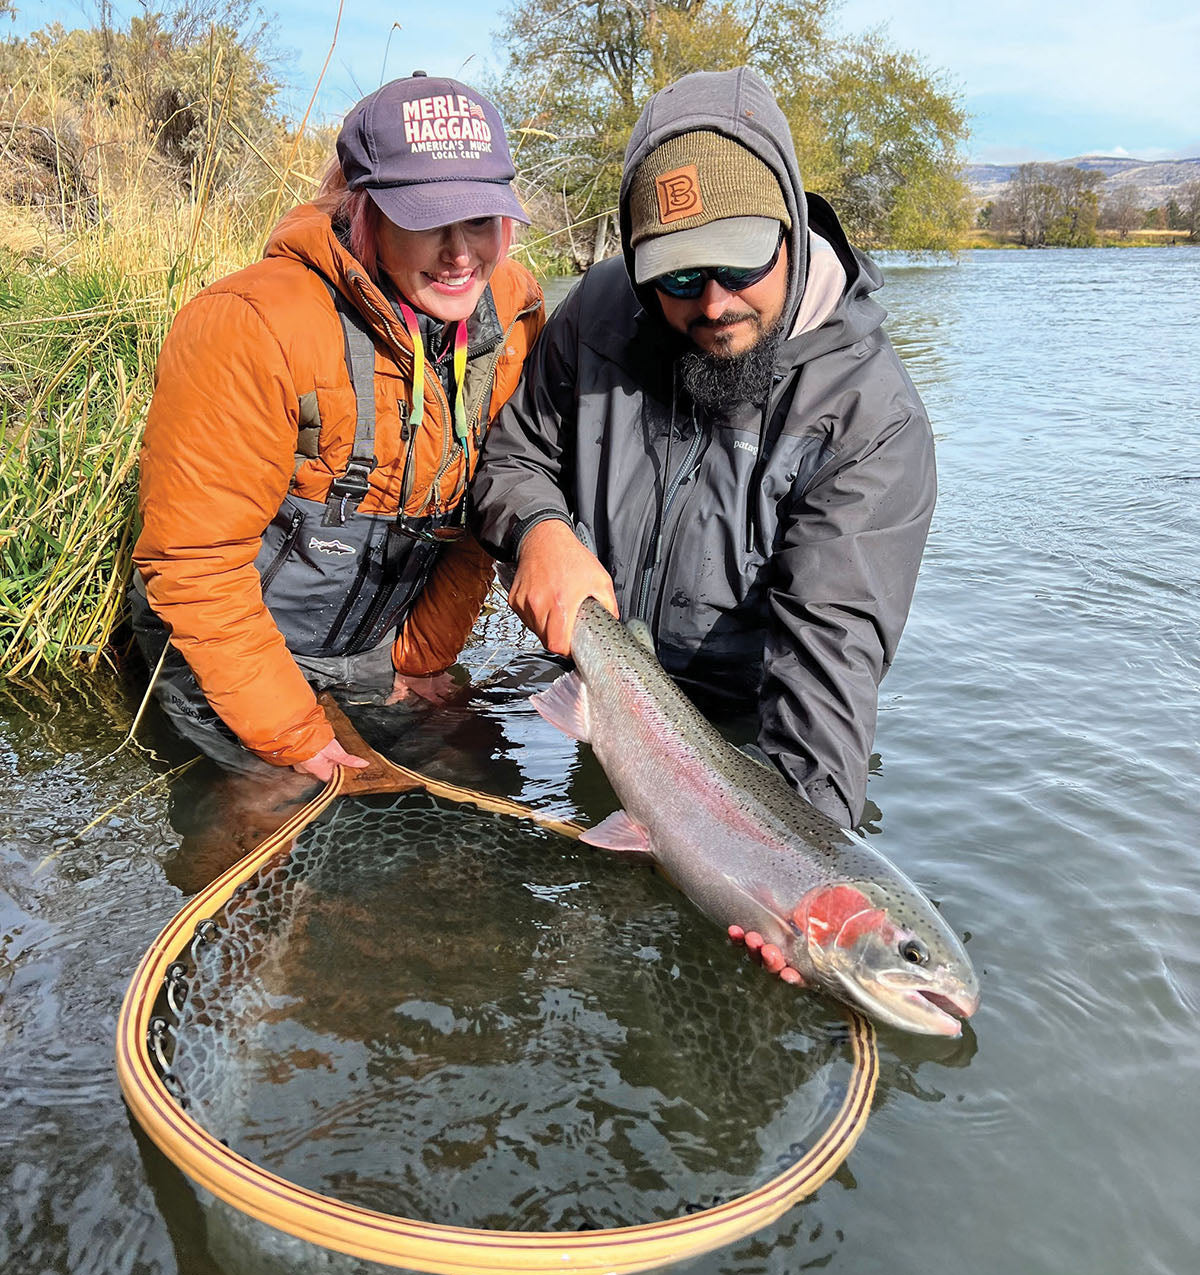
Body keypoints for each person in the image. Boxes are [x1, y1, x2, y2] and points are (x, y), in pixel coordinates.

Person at [472, 66, 936, 833]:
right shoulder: (600, 313)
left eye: (740, 261)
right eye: (679, 274)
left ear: (791, 223)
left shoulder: (870, 419)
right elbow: (514, 458)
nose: (714, 302)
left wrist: (805, 848)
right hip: (598, 687)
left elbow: (831, 656)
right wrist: (538, 531)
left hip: (753, 734)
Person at [131, 73, 544, 781]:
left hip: (377, 644)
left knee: (471, 774)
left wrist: (420, 658)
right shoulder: (249, 324)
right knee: (274, 820)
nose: (460, 254)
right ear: (366, 211)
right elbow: (196, 567)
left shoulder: (513, 314)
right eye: (426, 220)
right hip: (225, 642)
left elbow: (480, 522)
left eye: (480, 221)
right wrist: (293, 735)